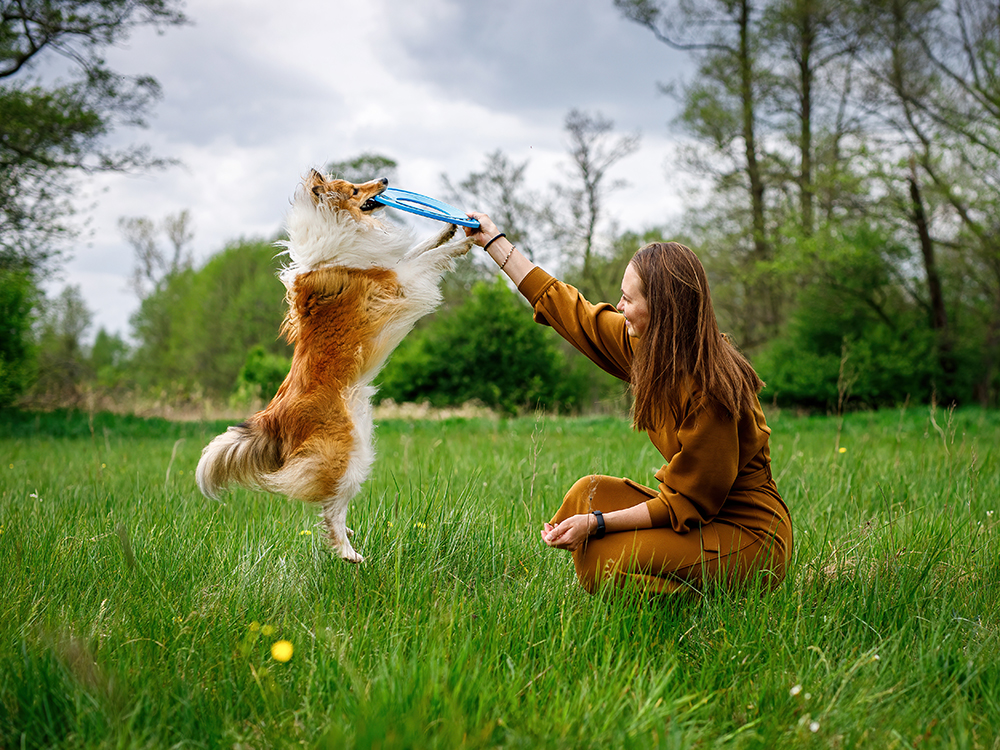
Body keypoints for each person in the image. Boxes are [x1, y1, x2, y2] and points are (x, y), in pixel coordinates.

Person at [464, 213, 792, 596]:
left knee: (602, 561)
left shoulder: (713, 389)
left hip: (749, 537)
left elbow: (687, 501)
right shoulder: (649, 349)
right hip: (700, 516)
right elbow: (570, 310)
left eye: (628, 298)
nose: (618, 306)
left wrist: (599, 524)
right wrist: (492, 241)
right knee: (584, 495)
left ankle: (700, 607)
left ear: (663, 307)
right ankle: (666, 575)